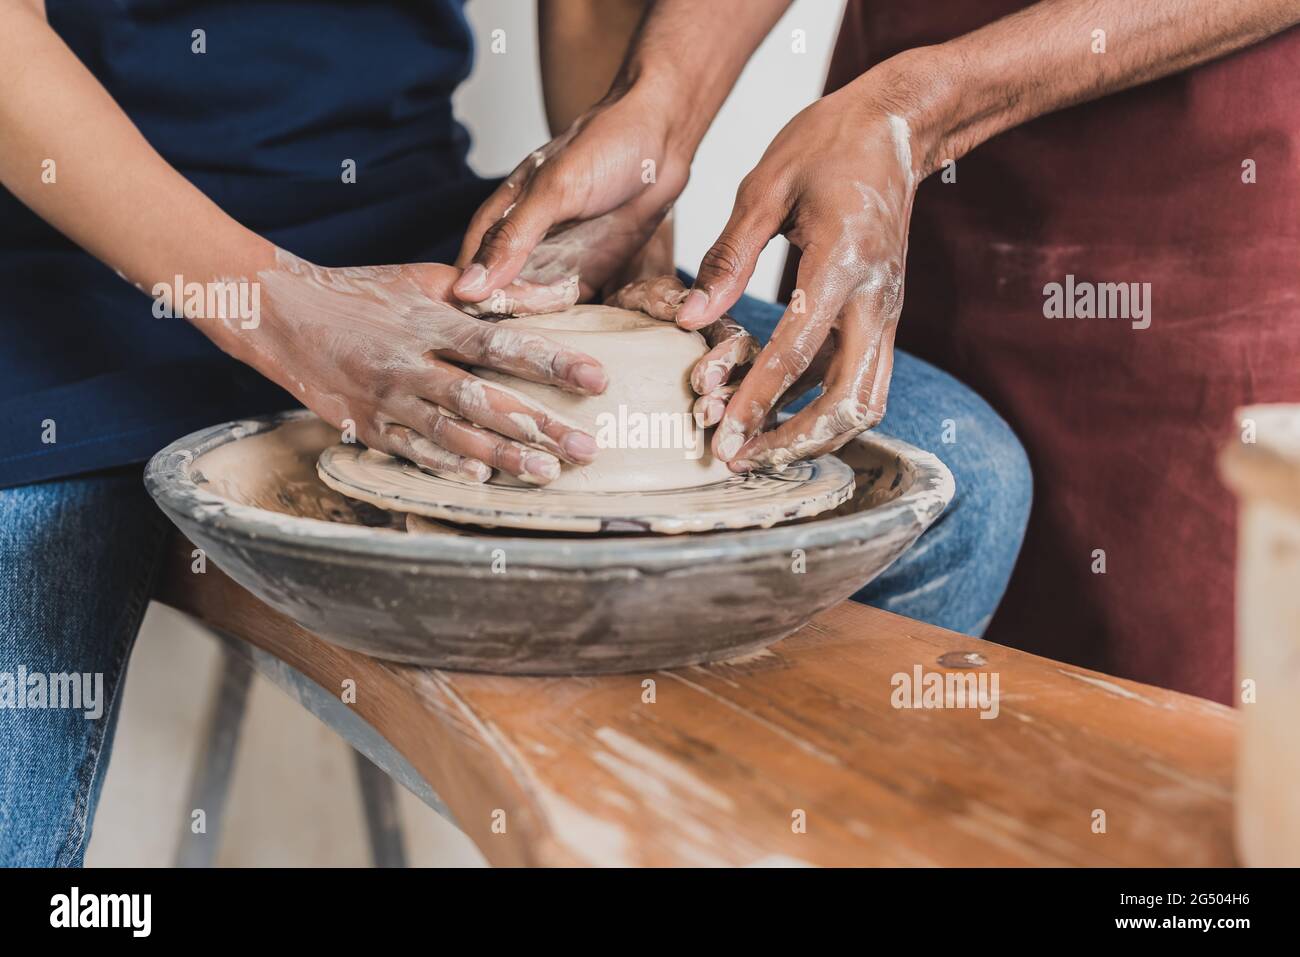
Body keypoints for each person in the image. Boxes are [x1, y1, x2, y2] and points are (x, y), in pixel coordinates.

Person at [0, 1, 1027, 866]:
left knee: (960, 480)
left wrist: (633, 220)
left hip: (402, 229)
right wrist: (275, 306)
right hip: (61, 254)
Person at [453, 0, 1300, 704]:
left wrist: (917, 110)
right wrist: (659, 114)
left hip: (1191, 218)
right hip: (875, 182)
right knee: (867, 719)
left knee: (1150, 759)